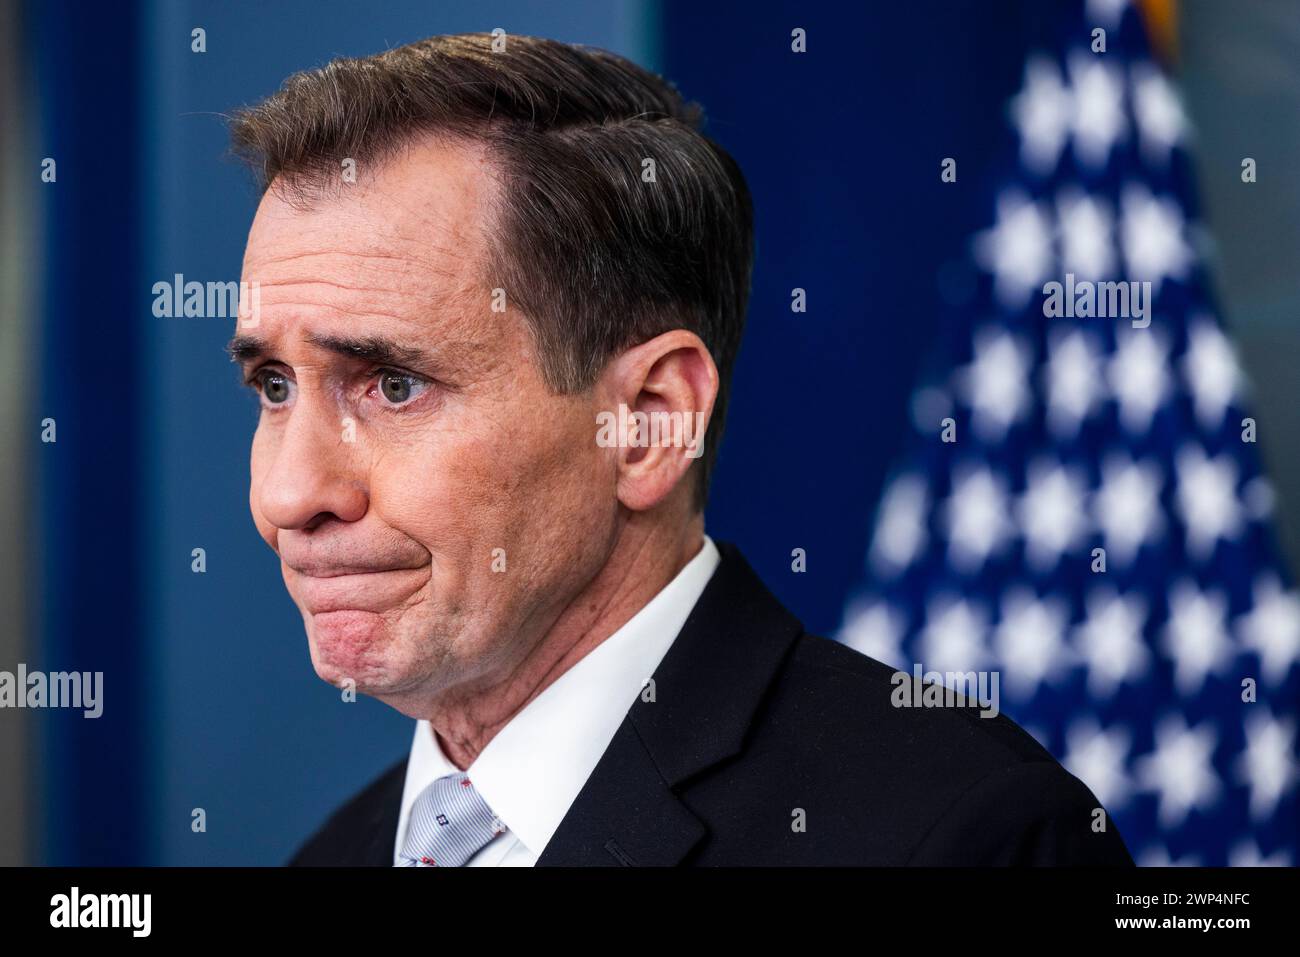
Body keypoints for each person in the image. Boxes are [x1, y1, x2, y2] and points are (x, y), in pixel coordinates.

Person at [226, 33, 1133, 866]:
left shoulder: (960, 839)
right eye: (274, 385)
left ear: (651, 421)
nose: (289, 493)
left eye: (392, 384)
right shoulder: (335, 857)